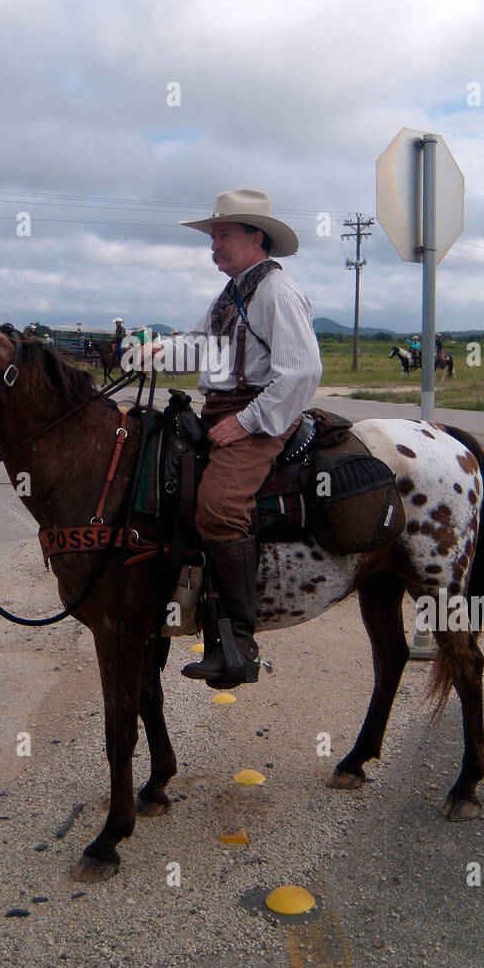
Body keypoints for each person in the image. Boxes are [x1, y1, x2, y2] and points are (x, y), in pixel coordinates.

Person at [160, 189, 322, 686]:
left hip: (264, 414)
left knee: (218, 506)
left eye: (223, 236)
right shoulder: (230, 295)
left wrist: (246, 422)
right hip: (224, 409)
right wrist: (150, 353)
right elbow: (197, 347)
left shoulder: (276, 293)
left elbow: (300, 373)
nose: (214, 246)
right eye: (212, 238)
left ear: (257, 238)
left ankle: (240, 641)